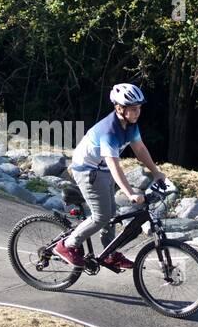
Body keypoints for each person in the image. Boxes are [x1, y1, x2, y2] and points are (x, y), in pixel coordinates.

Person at [54, 83, 169, 270]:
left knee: (112, 212)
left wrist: (156, 172)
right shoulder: (109, 131)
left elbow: (140, 149)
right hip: (87, 169)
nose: (138, 112)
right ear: (119, 108)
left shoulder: (130, 125)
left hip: (101, 168)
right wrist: (130, 193)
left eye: (139, 108)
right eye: (133, 108)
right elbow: (114, 166)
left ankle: (109, 254)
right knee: (101, 216)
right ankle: (66, 245)